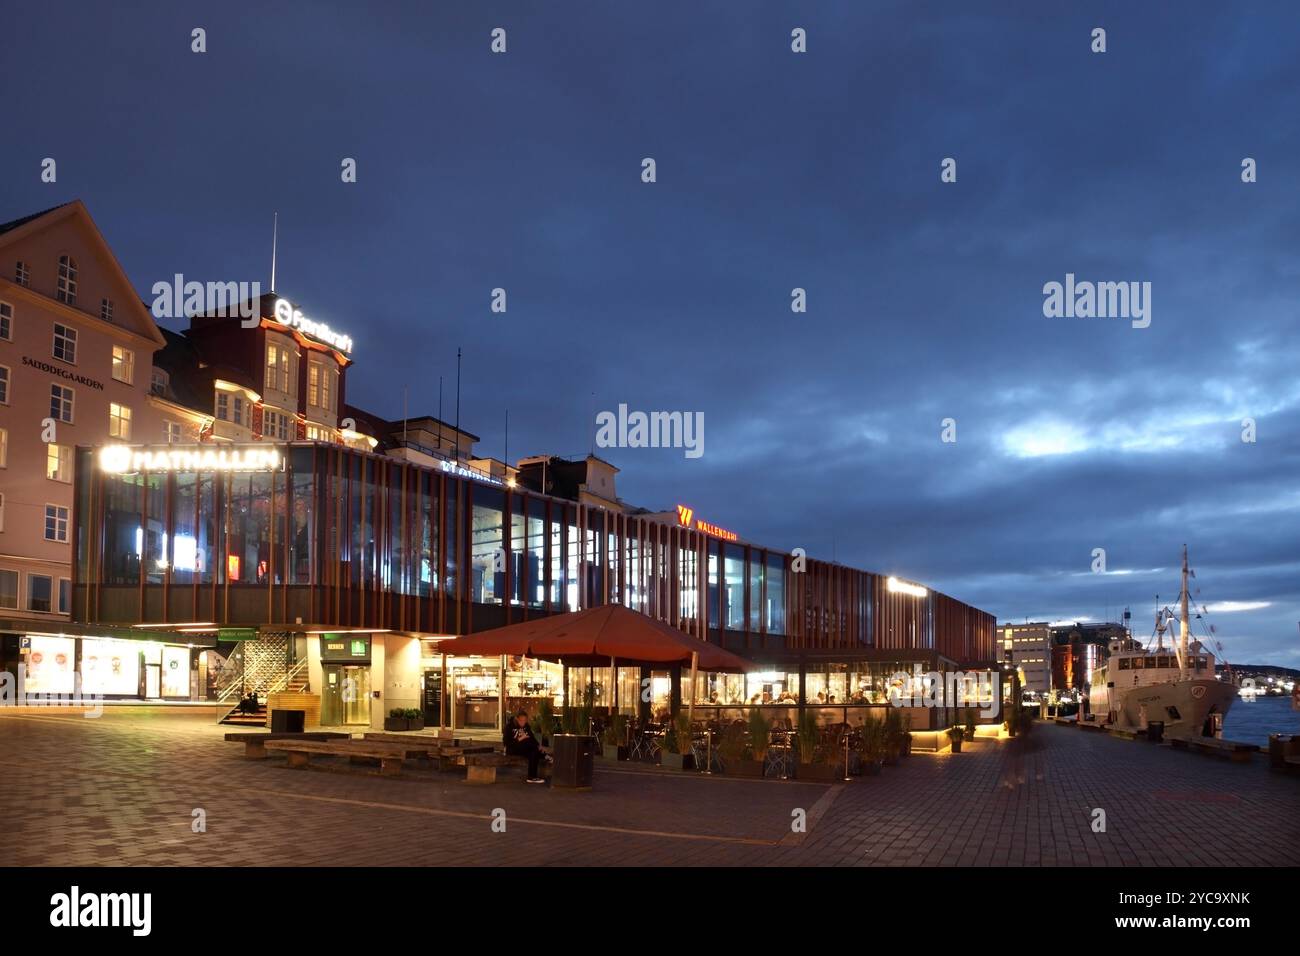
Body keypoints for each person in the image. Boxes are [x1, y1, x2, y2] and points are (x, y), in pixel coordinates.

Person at [504, 709, 546, 783]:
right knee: (531, 746)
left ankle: (531, 777)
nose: (523, 722)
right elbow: (507, 743)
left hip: (525, 748)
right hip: (513, 749)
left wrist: (538, 745)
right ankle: (545, 756)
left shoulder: (526, 726)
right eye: (521, 720)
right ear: (517, 719)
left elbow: (532, 737)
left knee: (533, 751)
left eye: (525, 720)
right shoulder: (509, 727)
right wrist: (520, 739)